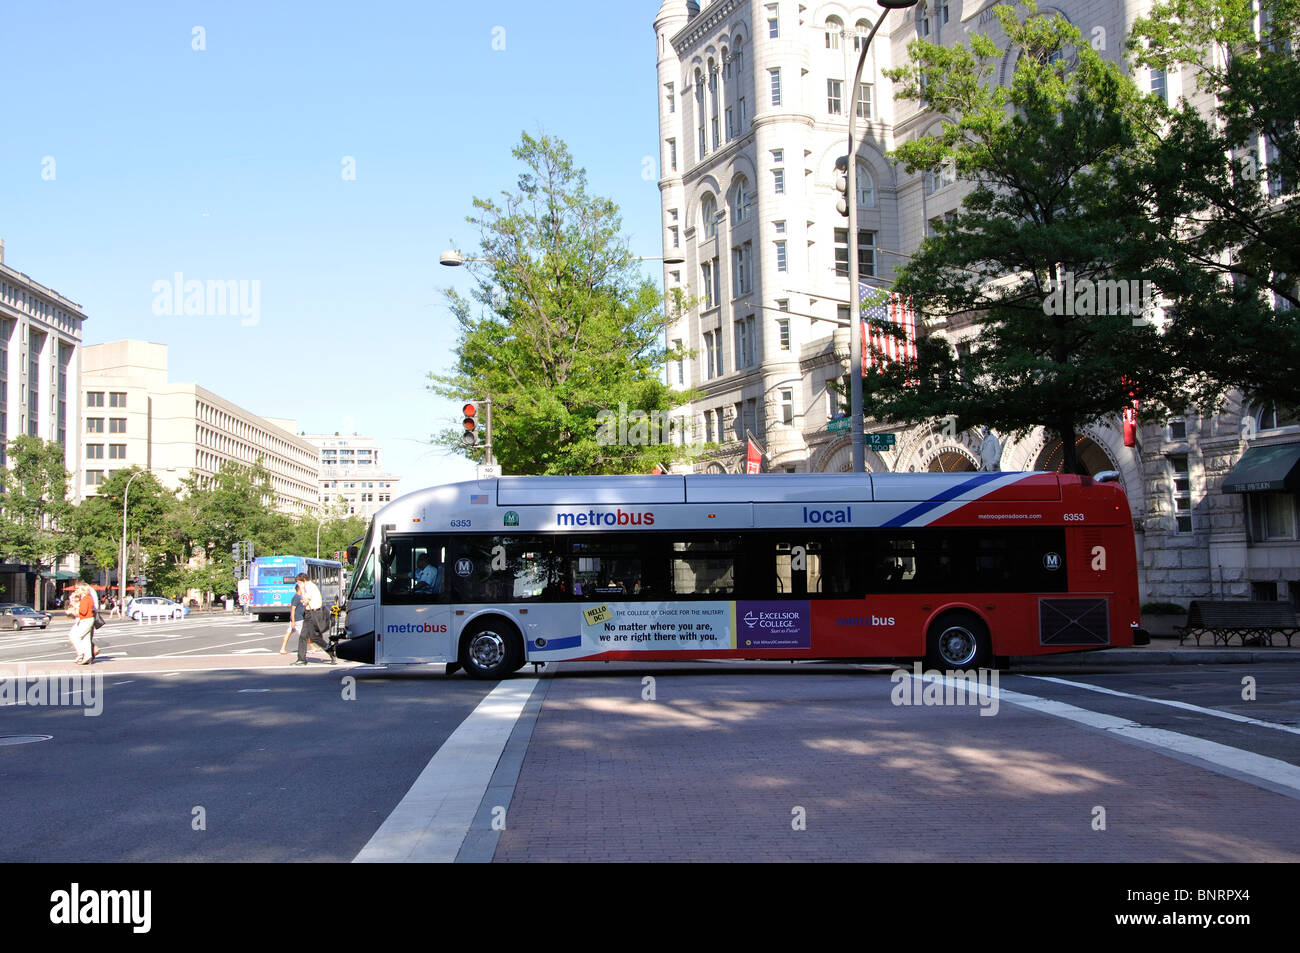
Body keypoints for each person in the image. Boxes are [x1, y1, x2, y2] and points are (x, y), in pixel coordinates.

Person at [292, 573, 334, 665]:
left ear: (304, 580)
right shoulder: (310, 586)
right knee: (304, 636)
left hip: (313, 613)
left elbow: (306, 601)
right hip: (310, 613)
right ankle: (302, 659)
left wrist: (302, 590)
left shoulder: (310, 587)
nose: (298, 585)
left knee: (313, 637)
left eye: (299, 582)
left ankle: (330, 651)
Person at [66, 583, 96, 664]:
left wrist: (75, 609)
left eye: (78, 589)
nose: (77, 591)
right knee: (86, 639)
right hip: (88, 619)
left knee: (76, 637)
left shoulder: (85, 599)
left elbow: (83, 611)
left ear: (83, 590)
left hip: (86, 620)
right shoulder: (88, 598)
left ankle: (81, 653)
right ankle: (88, 656)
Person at [280, 582, 305, 655]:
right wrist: (293, 621)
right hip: (297, 619)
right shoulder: (296, 597)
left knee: (288, 633)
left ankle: (282, 648)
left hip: (297, 619)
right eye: (302, 587)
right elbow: (293, 609)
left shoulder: (300, 597)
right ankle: (312, 647)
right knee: (303, 635)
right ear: (299, 589)